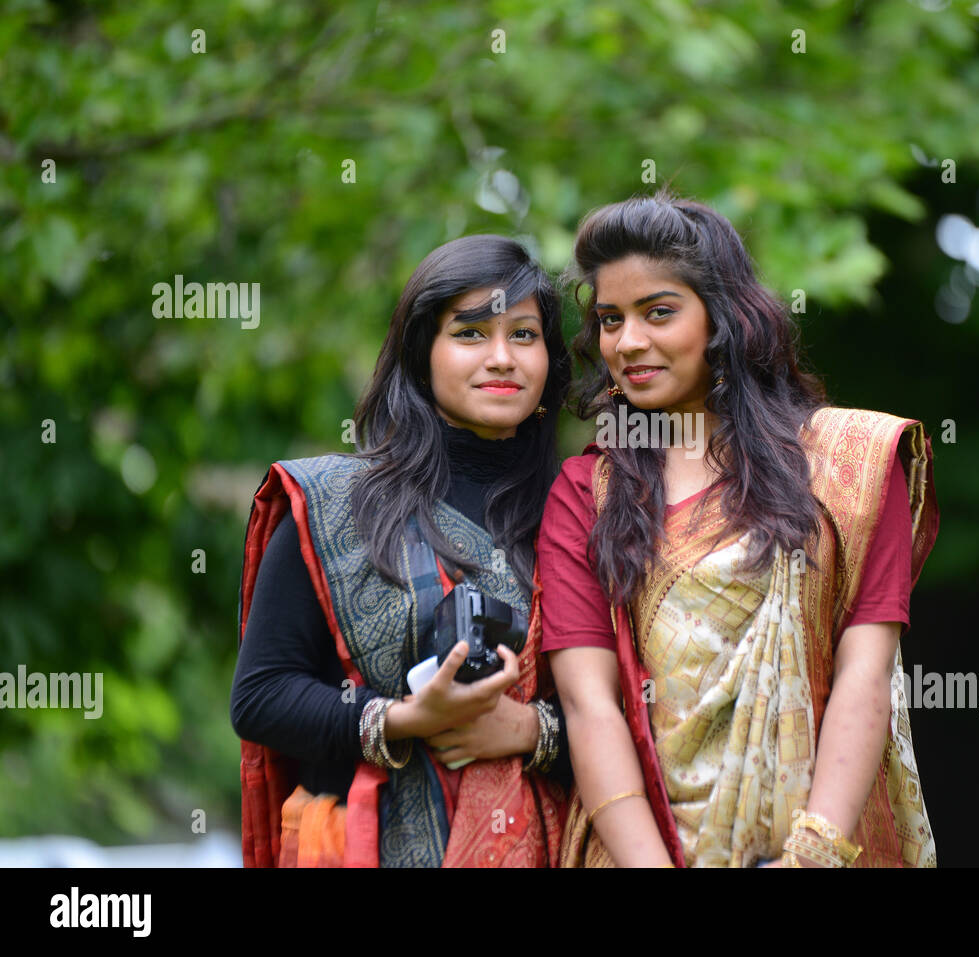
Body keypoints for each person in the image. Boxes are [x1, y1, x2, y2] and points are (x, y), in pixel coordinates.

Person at [539, 191, 940, 867]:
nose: (628, 342)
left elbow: (865, 675)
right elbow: (590, 707)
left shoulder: (851, 469)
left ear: (722, 318)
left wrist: (812, 856)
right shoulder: (587, 494)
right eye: (610, 319)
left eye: (658, 312)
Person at [232, 234, 572, 867]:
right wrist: (404, 720)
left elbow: (642, 715)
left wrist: (530, 731)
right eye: (471, 333)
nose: (502, 358)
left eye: (524, 335)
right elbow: (262, 697)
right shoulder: (337, 505)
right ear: (421, 355)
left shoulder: (583, 513)